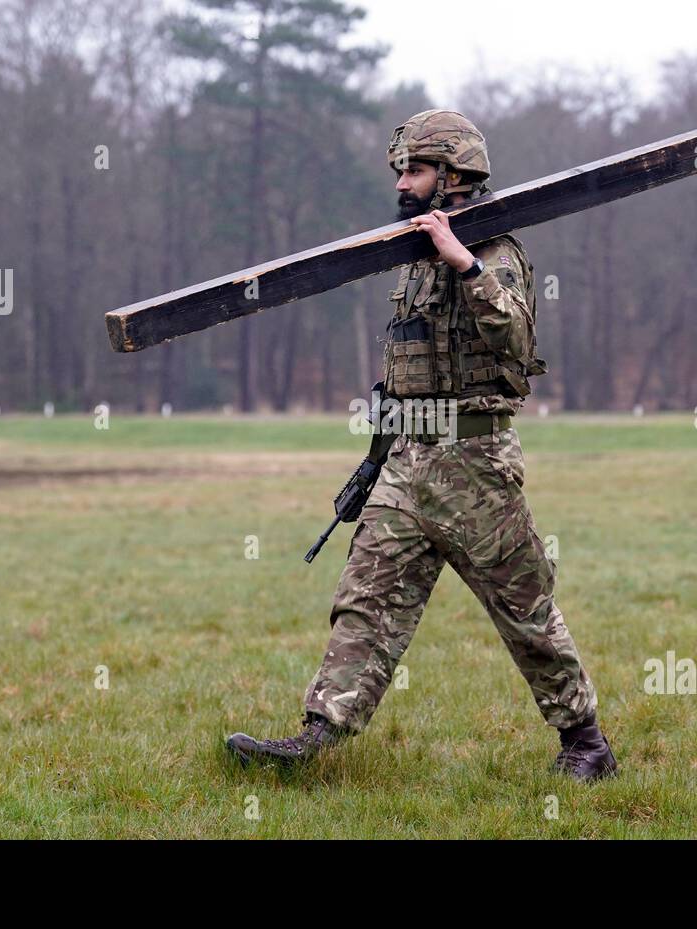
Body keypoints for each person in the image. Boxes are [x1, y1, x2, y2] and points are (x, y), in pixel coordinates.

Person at [225, 109, 616, 781]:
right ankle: (319, 731)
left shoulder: (494, 255)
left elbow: (518, 344)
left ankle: (585, 742)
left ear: (455, 177)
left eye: (416, 169)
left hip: (476, 466)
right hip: (408, 463)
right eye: (401, 169)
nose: (403, 182)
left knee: (524, 611)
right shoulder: (410, 261)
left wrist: (463, 263)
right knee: (366, 595)